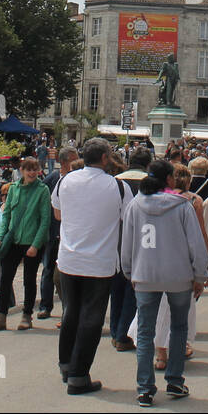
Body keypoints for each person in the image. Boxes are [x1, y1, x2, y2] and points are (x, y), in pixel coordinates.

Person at [121, 160, 208, 407]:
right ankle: (174, 379)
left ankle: (145, 387)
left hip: (145, 273)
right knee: (179, 327)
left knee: (145, 331)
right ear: (169, 180)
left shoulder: (135, 205)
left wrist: (129, 271)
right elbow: (195, 243)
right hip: (178, 275)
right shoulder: (182, 206)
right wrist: (200, 274)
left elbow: (127, 242)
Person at [52, 137, 133, 395]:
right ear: (106, 159)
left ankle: (66, 364)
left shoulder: (65, 180)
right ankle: (78, 374)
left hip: (68, 257)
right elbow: (128, 220)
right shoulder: (117, 187)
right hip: (99, 261)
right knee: (92, 318)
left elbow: (58, 213)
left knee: (70, 312)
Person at [0, 157, 52, 331]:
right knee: (5, 278)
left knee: (29, 280)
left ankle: (26, 315)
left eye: (34, 169)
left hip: (31, 241)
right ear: (21, 170)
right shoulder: (14, 189)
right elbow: (6, 214)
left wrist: (35, 245)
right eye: (28, 169)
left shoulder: (42, 190)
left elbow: (45, 220)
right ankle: (1, 316)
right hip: (13, 240)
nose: (31, 173)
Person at [109, 148, 151, 351]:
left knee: (116, 287)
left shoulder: (115, 181)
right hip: (140, 239)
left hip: (114, 238)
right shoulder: (149, 183)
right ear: (147, 165)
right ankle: (123, 335)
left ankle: (115, 329)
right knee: (132, 289)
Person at [37, 147, 77, 320]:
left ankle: (67, 309)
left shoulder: (77, 181)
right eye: (74, 161)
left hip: (71, 233)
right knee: (48, 269)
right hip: (54, 232)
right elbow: (43, 202)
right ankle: (45, 305)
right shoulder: (52, 179)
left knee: (67, 275)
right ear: (64, 162)